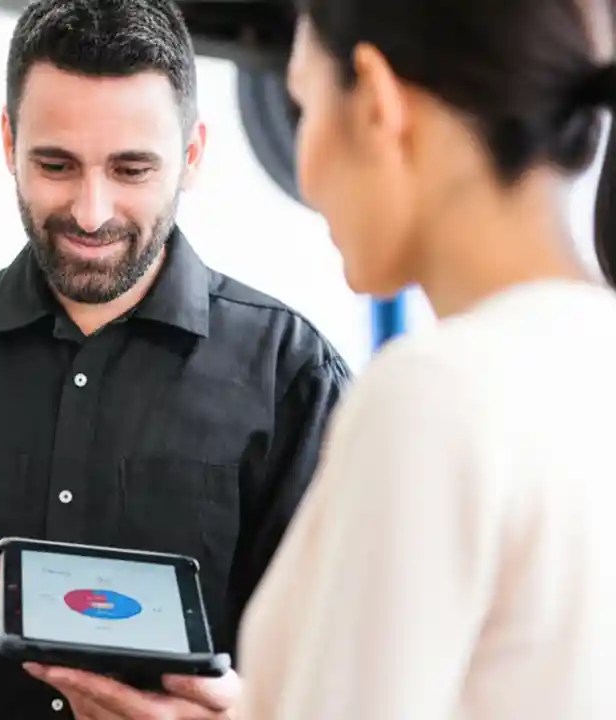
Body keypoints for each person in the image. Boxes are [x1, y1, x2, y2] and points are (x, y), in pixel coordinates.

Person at [0, 1, 350, 717]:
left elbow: (358, 669)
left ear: (192, 156)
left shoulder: (290, 373)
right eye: (56, 165)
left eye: (132, 169)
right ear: (8, 142)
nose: (91, 211)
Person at [233, 0, 616, 718]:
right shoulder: (591, 360)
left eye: (303, 107)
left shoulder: (435, 395)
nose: (304, 171)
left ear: (377, 104)